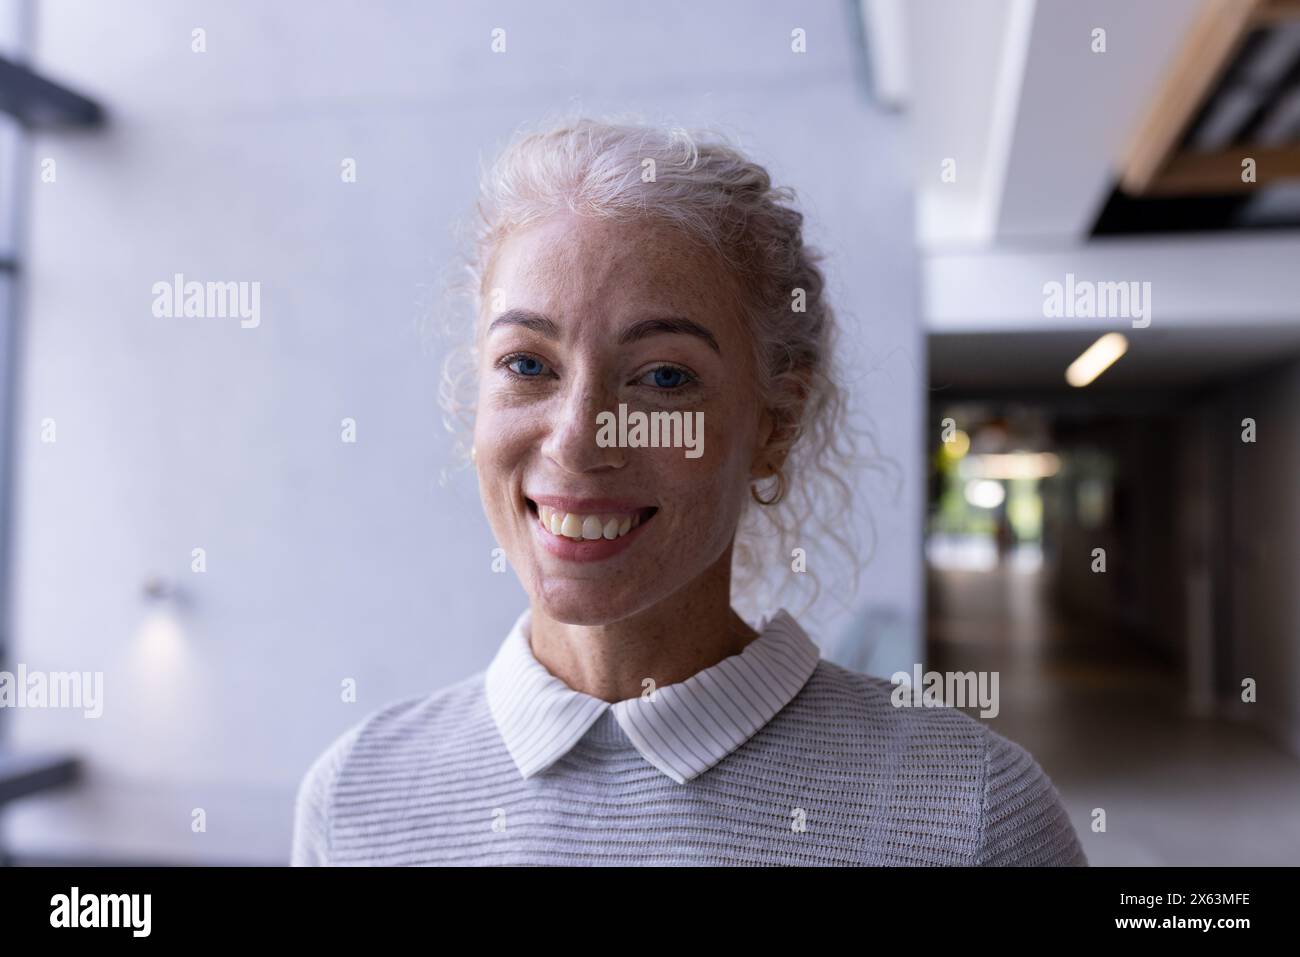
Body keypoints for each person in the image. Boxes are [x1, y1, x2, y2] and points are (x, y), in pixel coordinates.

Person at [291, 118, 1087, 866]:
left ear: (775, 422)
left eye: (663, 377)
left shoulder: (971, 815)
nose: (578, 438)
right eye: (528, 365)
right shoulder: (356, 798)